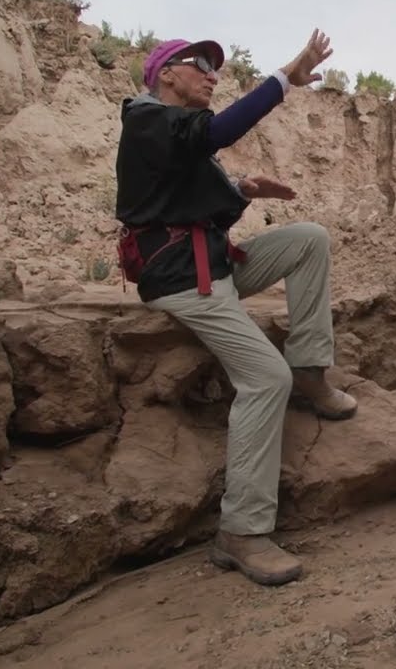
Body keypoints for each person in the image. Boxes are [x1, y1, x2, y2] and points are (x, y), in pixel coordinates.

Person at [114, 29, 357, 586]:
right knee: (264, 378)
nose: (212, 75)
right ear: (165, 74)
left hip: (214, 265)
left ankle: (310, 369)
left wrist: (244, 190)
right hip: (181, 279)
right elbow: (216, 132)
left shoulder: (175, 133)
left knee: (308, 239)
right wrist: (285, 79)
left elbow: (203, 196)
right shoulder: (147, 119)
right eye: (200, 65)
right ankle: (241, 532)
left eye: (215, 68)